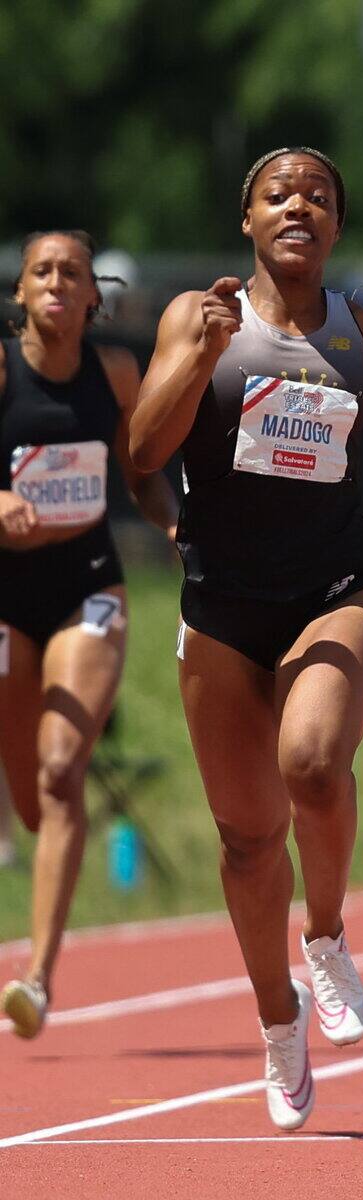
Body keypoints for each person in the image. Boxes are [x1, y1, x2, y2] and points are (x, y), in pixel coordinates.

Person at [129, 147, 363, 1130]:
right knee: (247, 841)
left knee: (314, 765)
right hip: (222, 609)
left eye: (318, 195)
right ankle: (279, 1023)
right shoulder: (202, 322)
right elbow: (143, 453)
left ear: (336, 224)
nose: (299, 206)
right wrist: (193, 361)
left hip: (336, 590)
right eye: (278, 194)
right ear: (248, 220)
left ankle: (324, 934)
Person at [0, 230, 179, 1037]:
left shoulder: (115, 372)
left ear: (93, 296)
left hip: (88, 591)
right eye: (42, 271)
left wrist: (176, 526)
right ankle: (40, 841)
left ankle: (35, 978)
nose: (58, 284)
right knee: (36, 805)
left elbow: (140, 470)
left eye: (73, 273)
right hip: (6, 603)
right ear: (20, 292)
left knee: (64, 768)